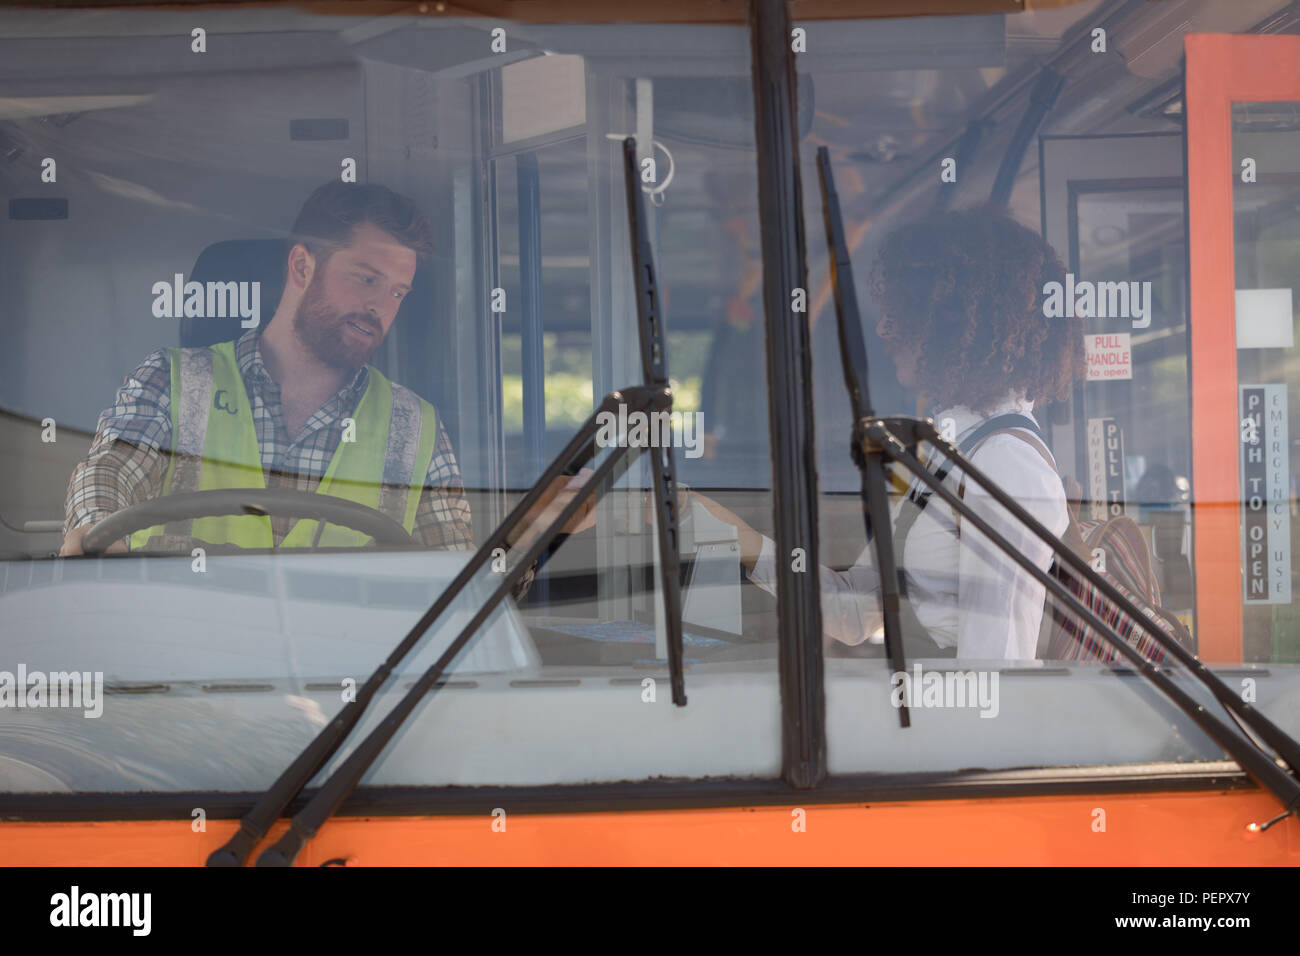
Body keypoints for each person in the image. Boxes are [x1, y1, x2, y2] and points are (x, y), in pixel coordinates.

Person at [60, 181, 593, 574]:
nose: (379, 307)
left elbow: (452, 592)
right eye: (366, 278)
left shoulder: (416, 428)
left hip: (347, 705)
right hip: (182, 689)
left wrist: (534, 531)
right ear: (301, 267)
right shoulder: (173, 383)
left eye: (397, 292)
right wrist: (95, 526)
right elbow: (109, 473)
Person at [687, 206, 1084, 660]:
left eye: (902, 312)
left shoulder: (1004, 464)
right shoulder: (956, 450)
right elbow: (853, 613)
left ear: (952, 328)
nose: (883, 328)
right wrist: (717, 524)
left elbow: (996, 673)